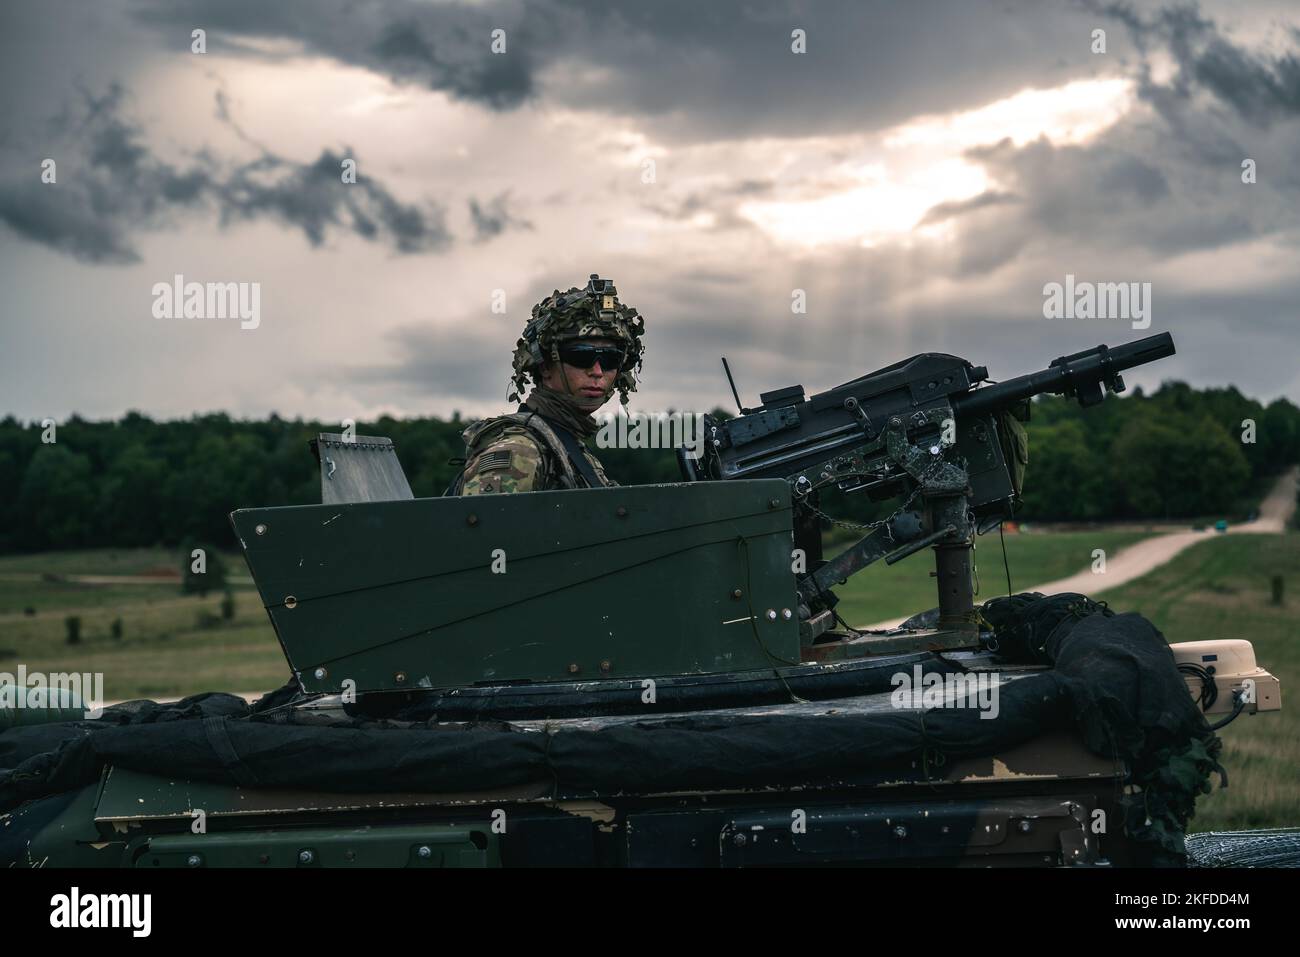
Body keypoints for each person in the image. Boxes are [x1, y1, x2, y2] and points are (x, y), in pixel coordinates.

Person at [451, 275, 645, 495]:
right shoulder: (520, 451)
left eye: (610, 360)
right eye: (581, 357)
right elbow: (480, 528)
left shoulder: (563, 443)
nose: (597, 371)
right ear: (545, 366)